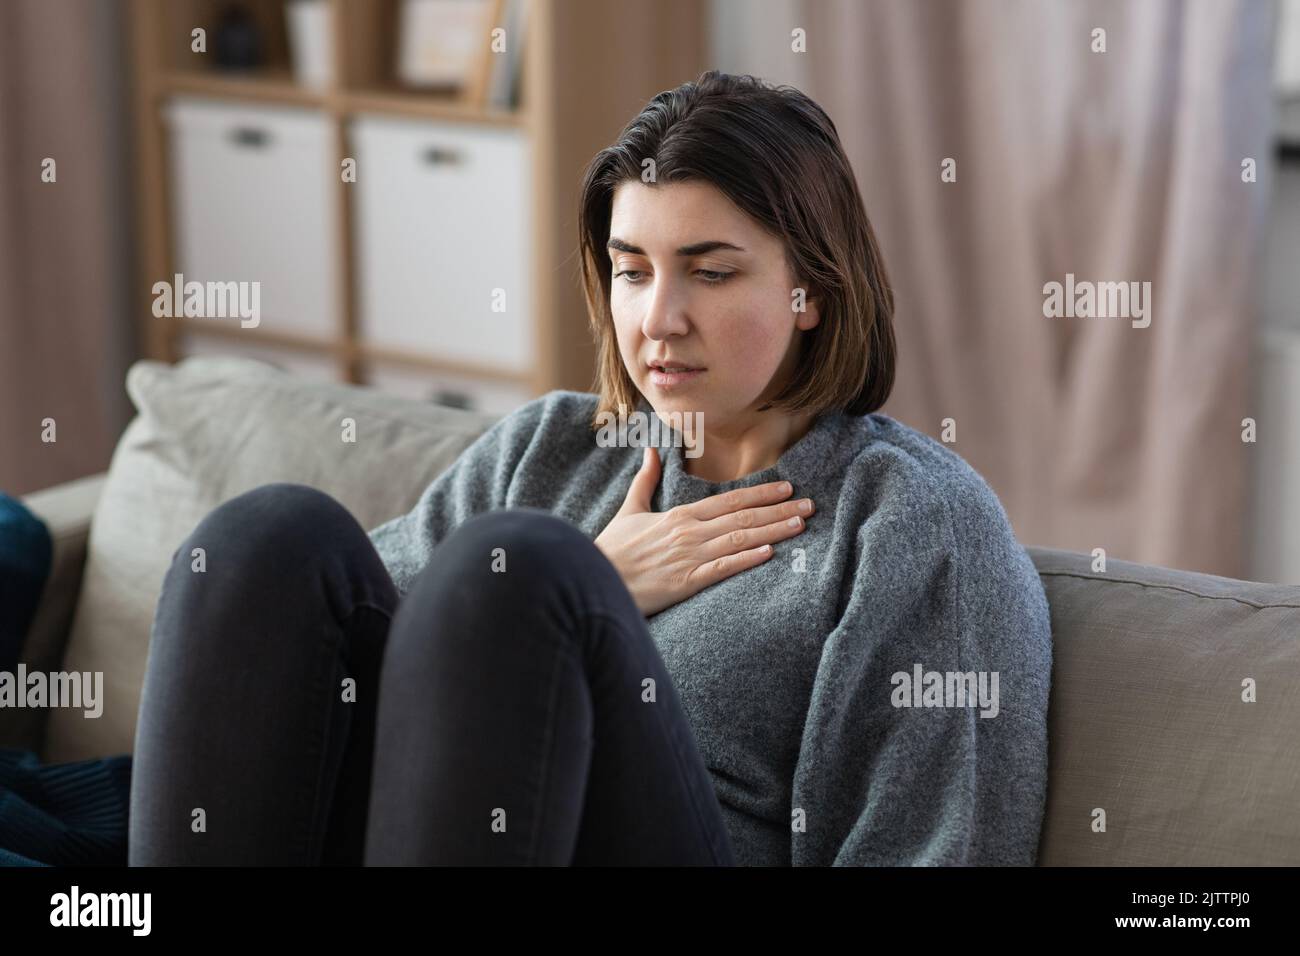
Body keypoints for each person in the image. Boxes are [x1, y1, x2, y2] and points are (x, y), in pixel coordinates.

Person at [129, 71, 1052, 867]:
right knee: (265, 541)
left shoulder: (909, 521)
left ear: (812, 289)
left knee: (524, 575)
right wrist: (605, 581)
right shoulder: (550, 450)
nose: (658, 319)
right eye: (632, 270)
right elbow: (353, 681)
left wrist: (565, 606)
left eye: (712, 272)